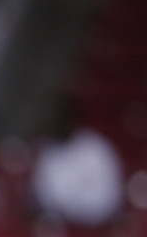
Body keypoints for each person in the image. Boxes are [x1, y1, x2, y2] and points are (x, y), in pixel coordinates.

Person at [29, 97, 123, 227]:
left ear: (72, 119)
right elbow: (42, 197)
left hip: (95, 228)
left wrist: (71, 210)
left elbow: (107, 199)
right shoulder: (45, 151)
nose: (55, 124)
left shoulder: (96, 149)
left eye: (60, 119)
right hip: (57, 227)